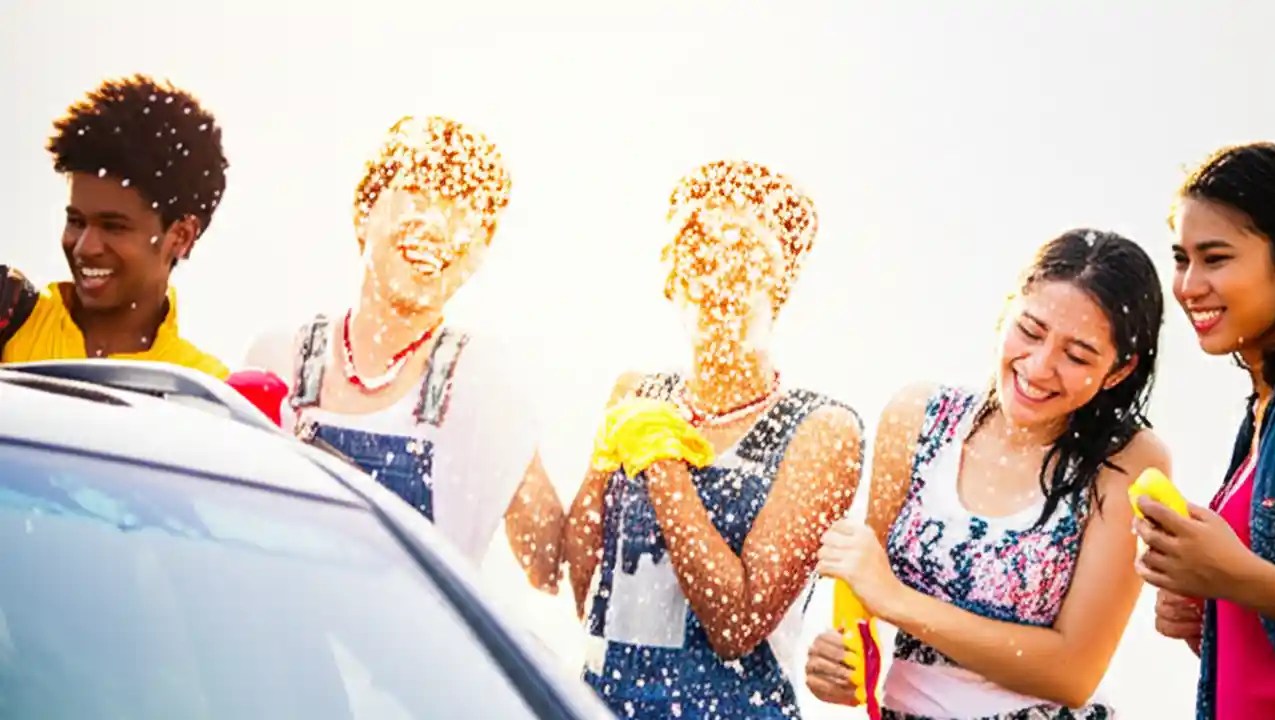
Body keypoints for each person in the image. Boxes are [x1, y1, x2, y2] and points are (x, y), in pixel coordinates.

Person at [806, 229, 1170, 719]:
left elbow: (1073, 673)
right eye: (1031, 331)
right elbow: (865, 604)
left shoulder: (1125, 461)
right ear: (1007, 309)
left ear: (1119, 371)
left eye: (1077, 355)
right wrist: (840, 664)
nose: (1040, 367)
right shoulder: (916, 417)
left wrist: (897, 600)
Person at [564, 159, 865, 719]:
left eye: (745, 254)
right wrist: (600, 468)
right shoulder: (634, 393)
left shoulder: (821, 430)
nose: (718, 272)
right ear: (671, 276)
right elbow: (585, 591)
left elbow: (737, 624)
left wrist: (665, 468)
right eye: (698, 249)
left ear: (782, 281)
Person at [244, 115, 562, 591]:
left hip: (414, 660)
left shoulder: (484, 381)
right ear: (363, 212)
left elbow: (547, 565)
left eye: (463, 209)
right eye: (417, 194)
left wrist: (619, 454)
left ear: (480, 252)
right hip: (289, 643)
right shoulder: (278, 358)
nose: (435, 225)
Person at [1138, 141, 1275, 719]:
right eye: (1181, 257)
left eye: (1216, 258)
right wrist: (1209, 606)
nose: (1189, 284)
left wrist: (1233, 575)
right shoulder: (1257, 416)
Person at [1, 74, 229, 378]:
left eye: (114, 226)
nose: (85, 247)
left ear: (181, 236)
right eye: (76, 221)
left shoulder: (204, 387)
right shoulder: (9, 314)